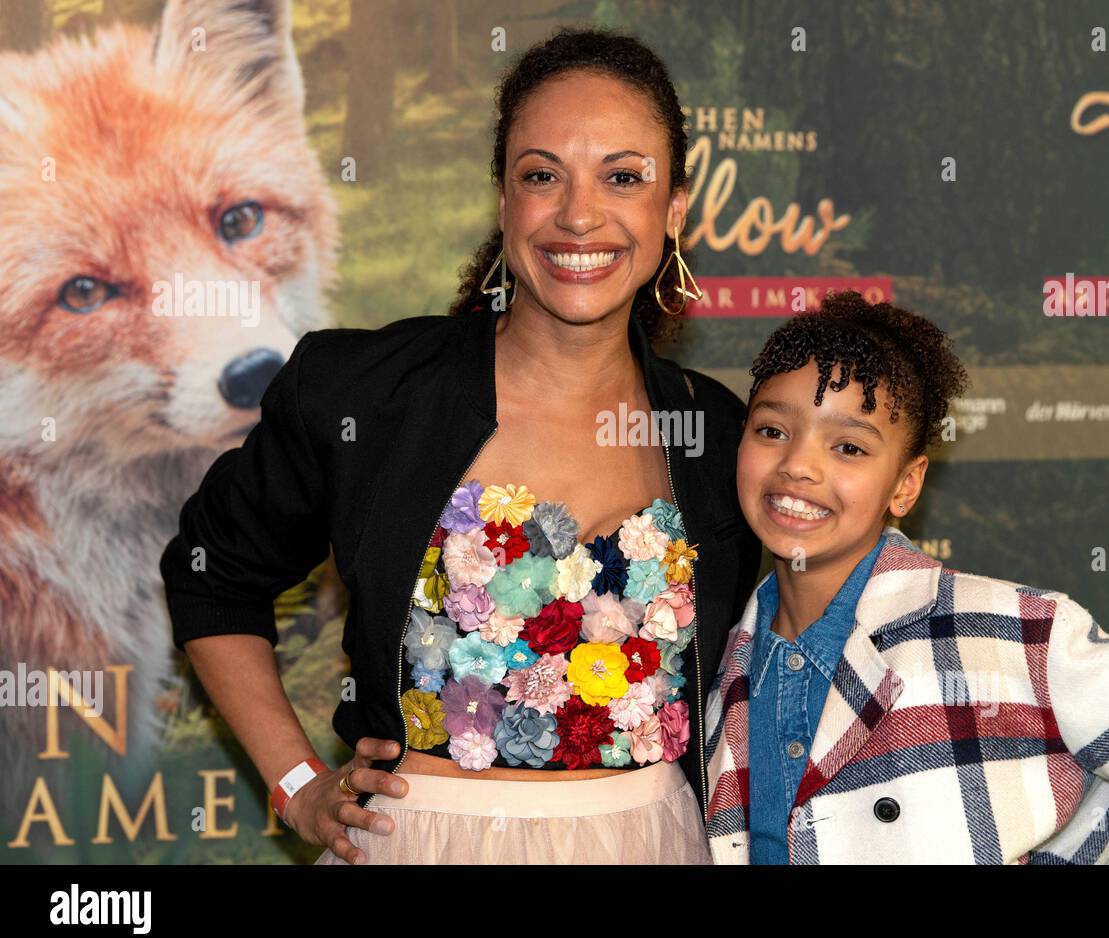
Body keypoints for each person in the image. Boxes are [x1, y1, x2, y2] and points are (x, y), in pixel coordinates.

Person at [159, 27, 761, 865]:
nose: (579, 213)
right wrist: (298, 786)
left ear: (675, 208)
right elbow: (212, 576)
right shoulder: (366, 393)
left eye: (623, 177)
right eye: (541, 175)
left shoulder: (719, 433)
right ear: (505, 200)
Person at [703, 290, 1109, 864]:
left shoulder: (1009, 634)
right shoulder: (718, 659)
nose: (799, 465)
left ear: (906, 484)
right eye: (772, 431)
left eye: (848, 447)